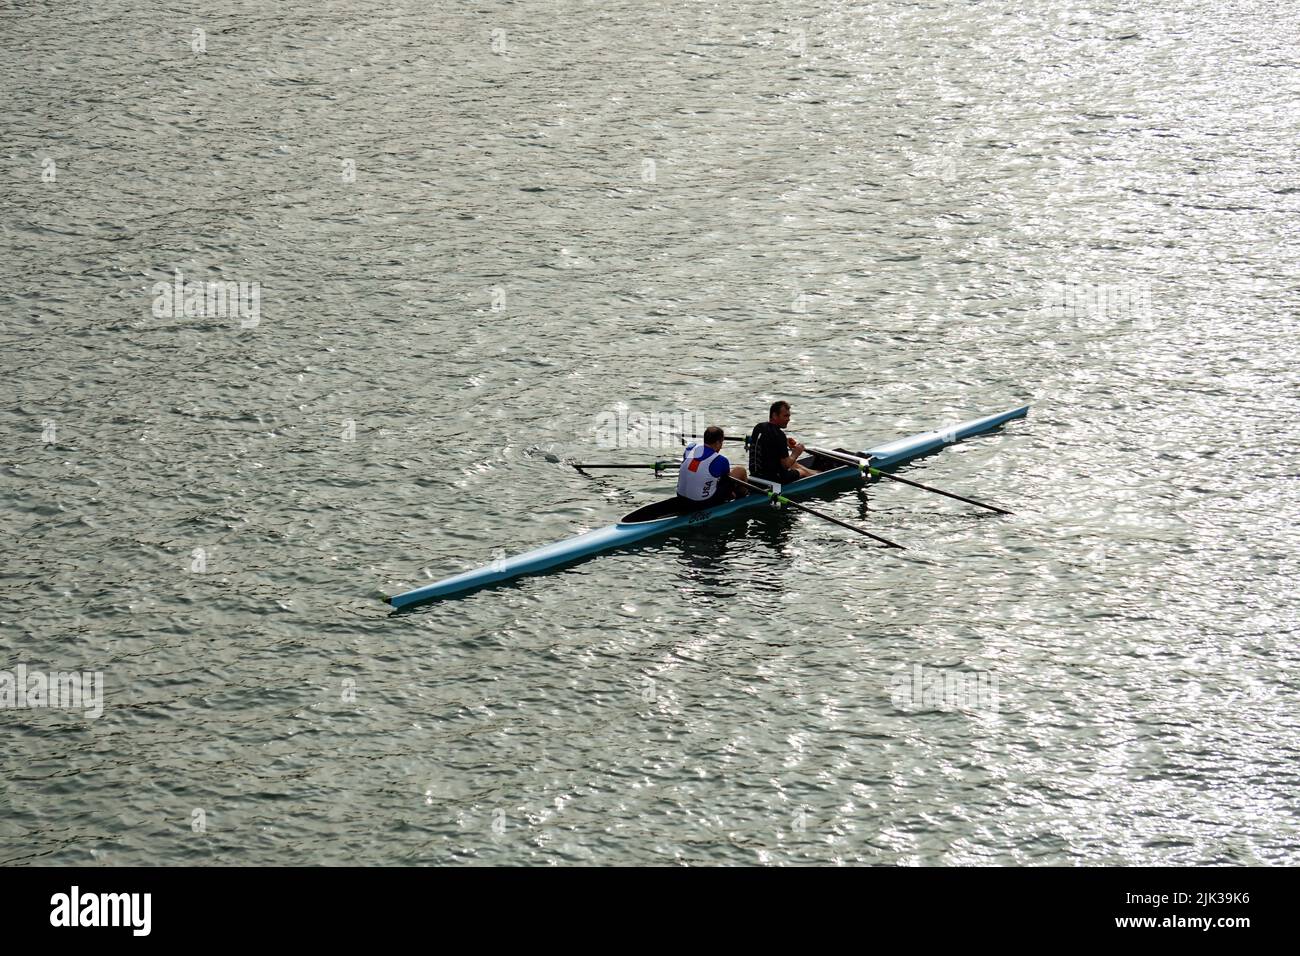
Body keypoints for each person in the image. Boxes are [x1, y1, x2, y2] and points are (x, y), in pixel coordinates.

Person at [676, 426, 748, 510]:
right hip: (701, 503)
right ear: (717, 443)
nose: (721, 447)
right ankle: (744, 498)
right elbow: (726, 483)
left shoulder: (690, 449)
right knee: (740, 471)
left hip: (680, 498)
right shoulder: (721, 460)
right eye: (721, 443)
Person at [749, 400, 818, 484]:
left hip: (754, 477)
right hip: (774, 480)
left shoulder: (758, 427)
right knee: (801, 471)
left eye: (789, 416)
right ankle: (817, 475)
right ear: (774, 415)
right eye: (785, 416)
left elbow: (767, 444)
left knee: (794, 464)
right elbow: (786, 465)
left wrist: (784, 442)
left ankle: (813, 472)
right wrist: (796, 453)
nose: (788, 419)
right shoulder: (779, 434)